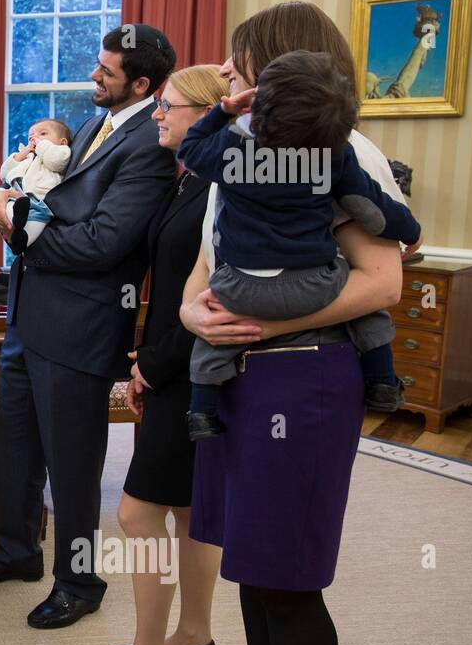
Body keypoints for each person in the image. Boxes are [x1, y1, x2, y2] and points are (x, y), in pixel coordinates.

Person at [181, 0, 413, 645]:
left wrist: (261, 323)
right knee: (255, 570)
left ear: (278, 66)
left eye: (238, 60)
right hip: (241, 379)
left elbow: (382, 283)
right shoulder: (250, 146)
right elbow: (209, 263)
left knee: (291, 584)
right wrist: (194, 313)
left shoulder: (343, 150)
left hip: (303, 379)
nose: (224, 71)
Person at [0, 24, 178, 632]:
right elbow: (60, 203)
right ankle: (17, 552)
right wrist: (19, 201)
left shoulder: (150, 146)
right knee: (18, 447)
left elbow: (106, 242)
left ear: (140, 83)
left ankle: (79, 582)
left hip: (81, 327)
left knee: (73, 465)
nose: (93, 76)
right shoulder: (90, 128)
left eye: (105, 71)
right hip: (30, 315)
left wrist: (16, 228)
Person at [72, 64, 226, 645]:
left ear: (208, 114)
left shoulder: (220, 188)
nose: (158, 115)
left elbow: (214, 298)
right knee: (188, 509)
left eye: (169, 107)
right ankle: (193, 631)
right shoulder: (189, 180)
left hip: (188, 372)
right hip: (173, 364)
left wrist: (151, 366)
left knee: (137, 513)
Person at [176, 51, 420, 440]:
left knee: (214, 327)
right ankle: (383, 379)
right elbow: (371, 209)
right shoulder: (334, 156)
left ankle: (202, 411)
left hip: (241, 287)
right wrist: (409, 227)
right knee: (366, 308)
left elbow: (190, 150)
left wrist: (223, 113)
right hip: (311, 287)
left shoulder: (230, 150)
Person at [0, 118, 73, 255]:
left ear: (62, 142)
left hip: (39, 200)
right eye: (30, 136)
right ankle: (1, 219)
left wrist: (41, 147)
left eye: (42, 134)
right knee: (6, 206)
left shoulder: (61, 152)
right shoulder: (28, 158)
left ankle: (21, 241)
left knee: (37, 222)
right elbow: (4, 174)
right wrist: (20, 156)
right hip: (18, 195)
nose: (34, 138)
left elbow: (57, 162)